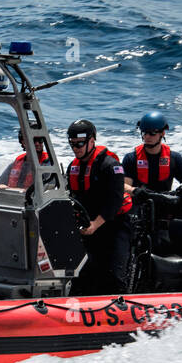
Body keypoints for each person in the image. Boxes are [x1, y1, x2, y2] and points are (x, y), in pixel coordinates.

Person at [65, 119, 133, 295]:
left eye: (80, 143)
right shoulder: (73, 167)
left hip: (114, 225)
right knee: (82, 273)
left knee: (114, 275)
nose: (76, 148)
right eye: (72, 144)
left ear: (92, 141)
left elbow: (115, 201)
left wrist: (96, 224)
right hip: (89, 226)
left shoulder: (110, 166)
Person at [123, 110, 182, 195]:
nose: (147, 136)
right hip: (139, 202)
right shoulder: (131, 158)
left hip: (166, 202)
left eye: (152, 133)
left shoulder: (174, 158)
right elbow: (124, 185)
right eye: (144, 132)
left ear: (162, 133)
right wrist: (134, 190)